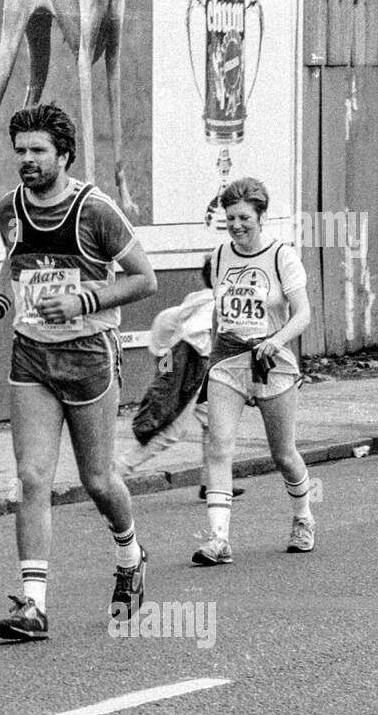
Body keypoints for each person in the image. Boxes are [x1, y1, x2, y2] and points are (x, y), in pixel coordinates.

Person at [0, 102, 157, 640]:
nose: (26, 160)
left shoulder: (96, 209)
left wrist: (84, 300)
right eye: (20, 151)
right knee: (32, 477)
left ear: (64, 155)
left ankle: (130, 557)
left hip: (89, 355)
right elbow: (15, 263)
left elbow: (145, 279)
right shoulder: (11, 206)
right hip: (31, 353)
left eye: (37, 151)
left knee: (97, 480)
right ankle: (32, 604)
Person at [191, 177, 313, 566]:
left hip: (271, 363)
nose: (237, 225)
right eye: (230, 218)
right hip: (228, 361)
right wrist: (210, 349)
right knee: (219, 446)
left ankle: (303, 518)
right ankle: (218, 539)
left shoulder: (281, 256)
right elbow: (219, 308)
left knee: (283, 454)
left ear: (260, 216)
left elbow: (303, 313)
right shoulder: (221, 255)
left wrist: (277, 341)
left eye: (244, 217)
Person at [115, 255, 244, 501]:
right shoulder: (210, 306)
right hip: (192, 371)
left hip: (194, 370)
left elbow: (164, 328)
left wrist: (165, 363)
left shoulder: (197, 302)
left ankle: (213, 483)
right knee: (170, 432)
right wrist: (171, 371)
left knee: (213, 424)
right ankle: (117, 473)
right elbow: (194, 337)